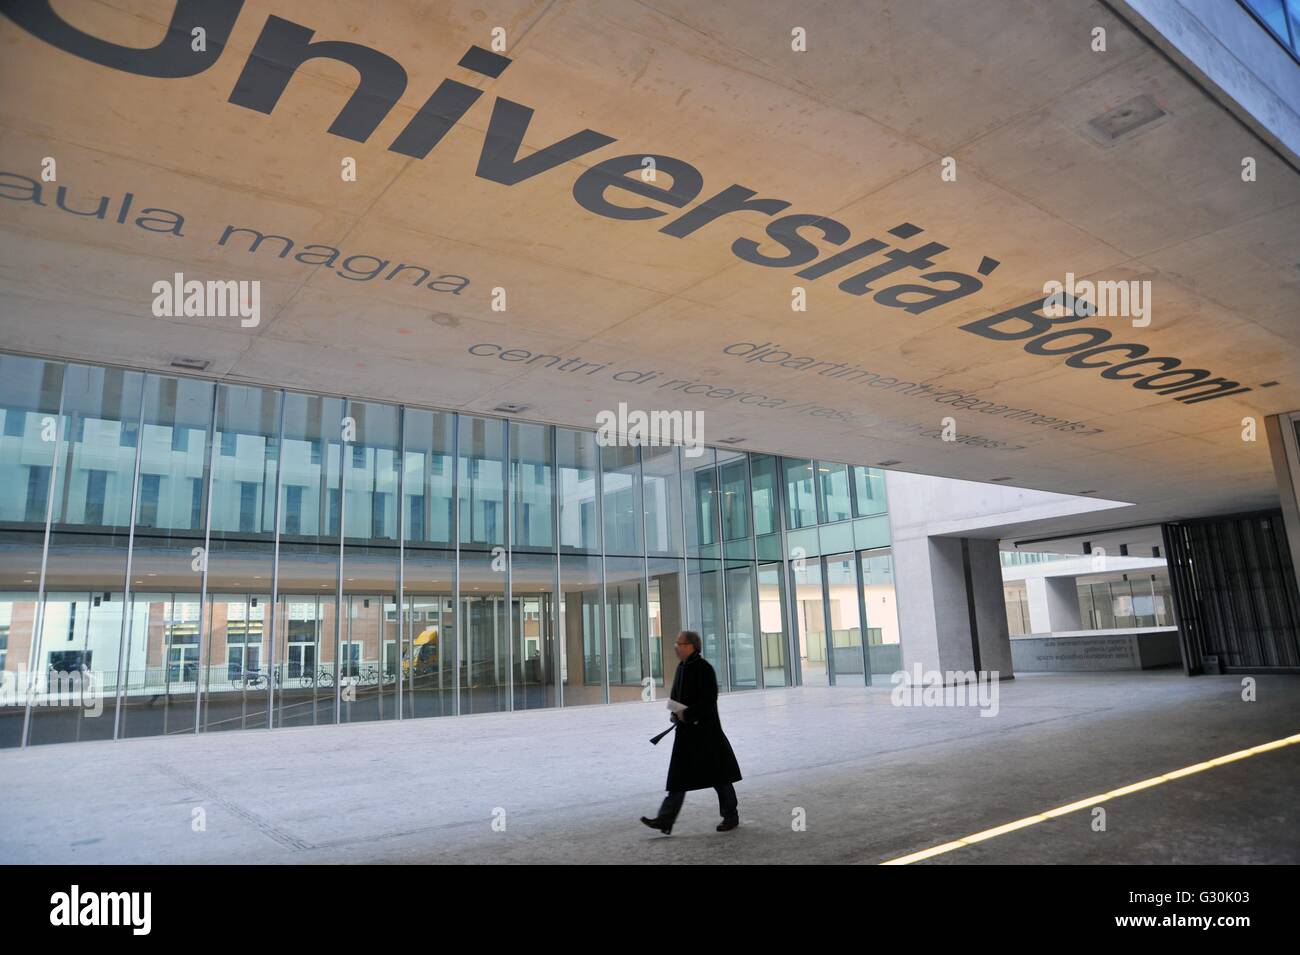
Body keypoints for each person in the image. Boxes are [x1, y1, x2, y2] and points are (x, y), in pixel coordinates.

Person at [641, 630, 742, 835]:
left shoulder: (704, 669)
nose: (676, 647)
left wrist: (687, 714)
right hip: (687, 735)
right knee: (679, 779)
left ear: (691, 646)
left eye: (680, 644)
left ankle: (731, 816)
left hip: (706, 734)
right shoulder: (682, 667)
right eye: (676, 643)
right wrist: (675, 713)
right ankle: (665, 820)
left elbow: (708, 700)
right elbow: (675, 696)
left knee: (719, 777)